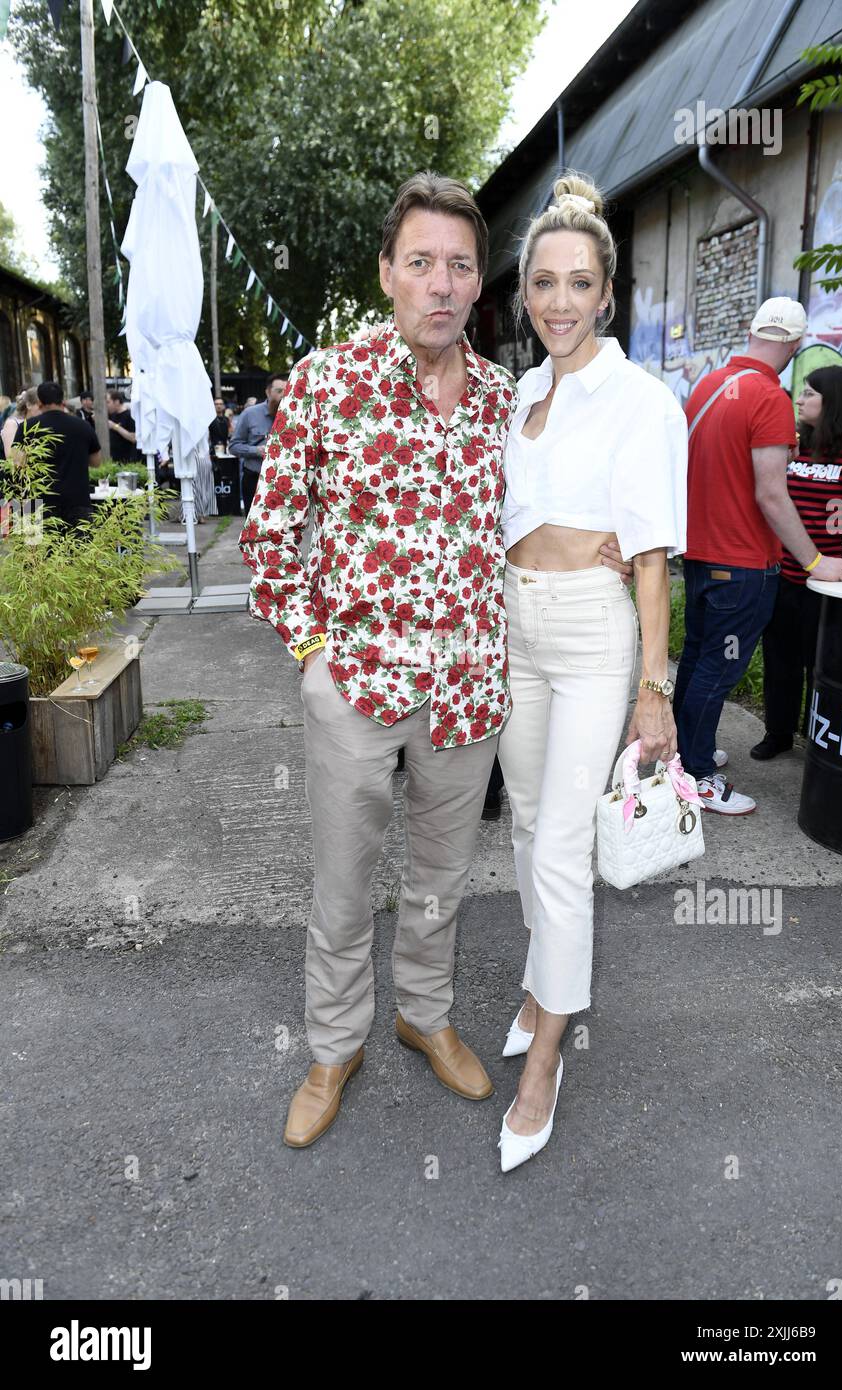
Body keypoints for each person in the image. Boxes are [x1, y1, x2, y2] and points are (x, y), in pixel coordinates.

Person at [238, 172, 527, 1150]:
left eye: (457, 265)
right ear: (386, 274)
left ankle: (424, 1014)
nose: (440, 284)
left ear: (476, 281)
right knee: (343, 882)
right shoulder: (327, 381)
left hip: (467, 689)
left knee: (444, 875)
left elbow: (528, 528)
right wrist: (317, 654)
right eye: (420, 264)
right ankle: (331, 1047)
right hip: (356, 686)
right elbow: (269, 538)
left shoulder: (503, 400)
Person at [494, 173, 686, 1172]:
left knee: (563, 847)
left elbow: (650, 553)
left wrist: (652, 687)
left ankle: (545, 1061)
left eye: (576, 283)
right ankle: (536, 983)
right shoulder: (521, 390)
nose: (557, 301)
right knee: (526, 828)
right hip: (512, 628)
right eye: (540, 283)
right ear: (522, 292)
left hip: (589, 638)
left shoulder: (640, 399)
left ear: (606, 293)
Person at [673, 297, 842, 815]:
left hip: (700, 555)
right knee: (718, 667)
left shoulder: (705, 387)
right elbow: (771, 494)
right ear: (795, 344)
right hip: (745, 565)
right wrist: (817, 562)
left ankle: (686, 753)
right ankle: (697, 775)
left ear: (753, 331)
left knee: (696, 657)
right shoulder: (769, 396)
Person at [752, 366, 842, 759]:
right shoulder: (795, 442)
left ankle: (819, 735)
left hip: (834, 581)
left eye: (810, 393)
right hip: (785, 570)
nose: (799, 400)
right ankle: (778, 733)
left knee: (823, 666)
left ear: (832, 400)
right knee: (780, 659)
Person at [10, 380, 101, 527]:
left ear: (39, 401)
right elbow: (96, 462)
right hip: (77, 502)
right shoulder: (83, 426)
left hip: (38, 503)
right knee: (79, 549)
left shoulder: (27, 427)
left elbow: (17, 465)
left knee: (37, 550)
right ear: (62, 400)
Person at [229, 373, 287, 514]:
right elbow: (233, 446)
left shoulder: (295, 415)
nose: (283, 396)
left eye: (288, 391)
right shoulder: (250, 414)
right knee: (253, 526)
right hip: (255, 479)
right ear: (267, 392)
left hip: (284, 481)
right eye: (279, 391)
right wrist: (256, 450)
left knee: (282, 527)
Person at [1, 388, 38, 462]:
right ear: (29, 405)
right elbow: (11, 457)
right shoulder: (12, 423)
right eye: (40, 406)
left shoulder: (40, 421)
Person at [106, 391, 140, 463]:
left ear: (117, 402)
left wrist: (115, 426)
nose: (106, 405)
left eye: (108, 402)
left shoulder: (130, 415)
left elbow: (134, 438)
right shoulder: (112, 415)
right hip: (114, 459)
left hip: (127, 460)